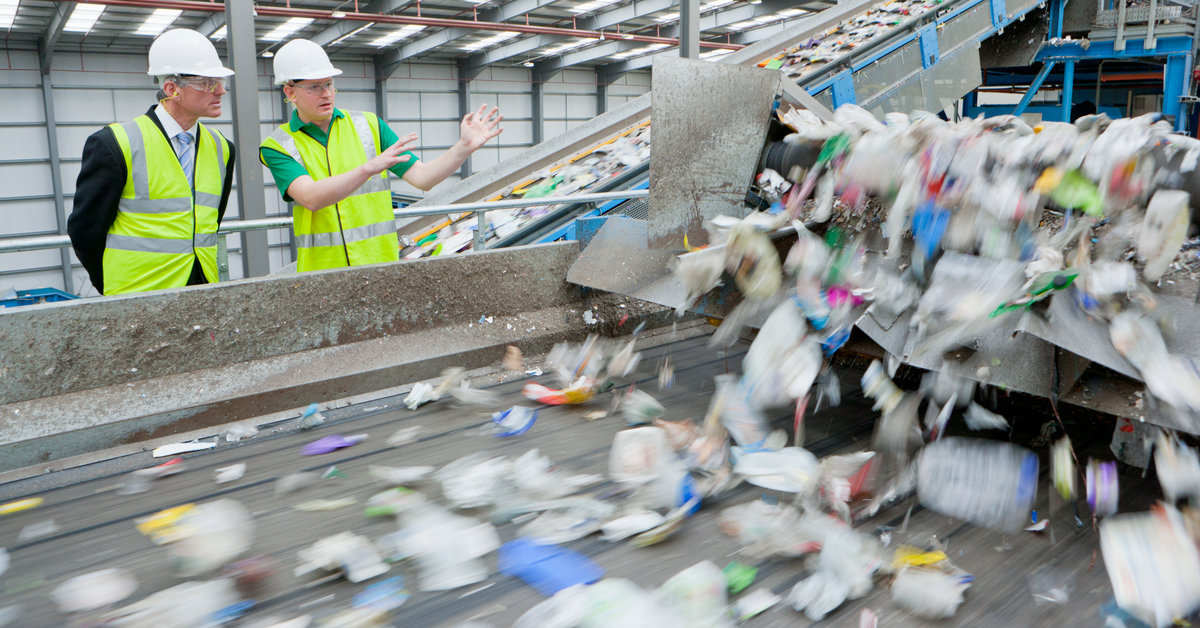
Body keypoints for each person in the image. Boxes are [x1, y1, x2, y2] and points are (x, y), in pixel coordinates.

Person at [259, 39, 503, 273]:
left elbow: (423, 177)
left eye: (329, 84)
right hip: (322, 276)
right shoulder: (278, 146)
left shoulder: (369, 125)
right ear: (290, 92)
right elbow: (311, 197)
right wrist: (369, 168)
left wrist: (463, 148)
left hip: (380, 269)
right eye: (314, 87)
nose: (326, 94)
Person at [68, 28, 236, 296]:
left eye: (220, 81)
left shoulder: (222, 148)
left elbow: (210, 221)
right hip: (137, 294)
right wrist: (111, 284)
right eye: (207, 82)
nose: (221, 91)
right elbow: (85, 231)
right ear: (172, 89)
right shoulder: (115, 144)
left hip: (204, 289)